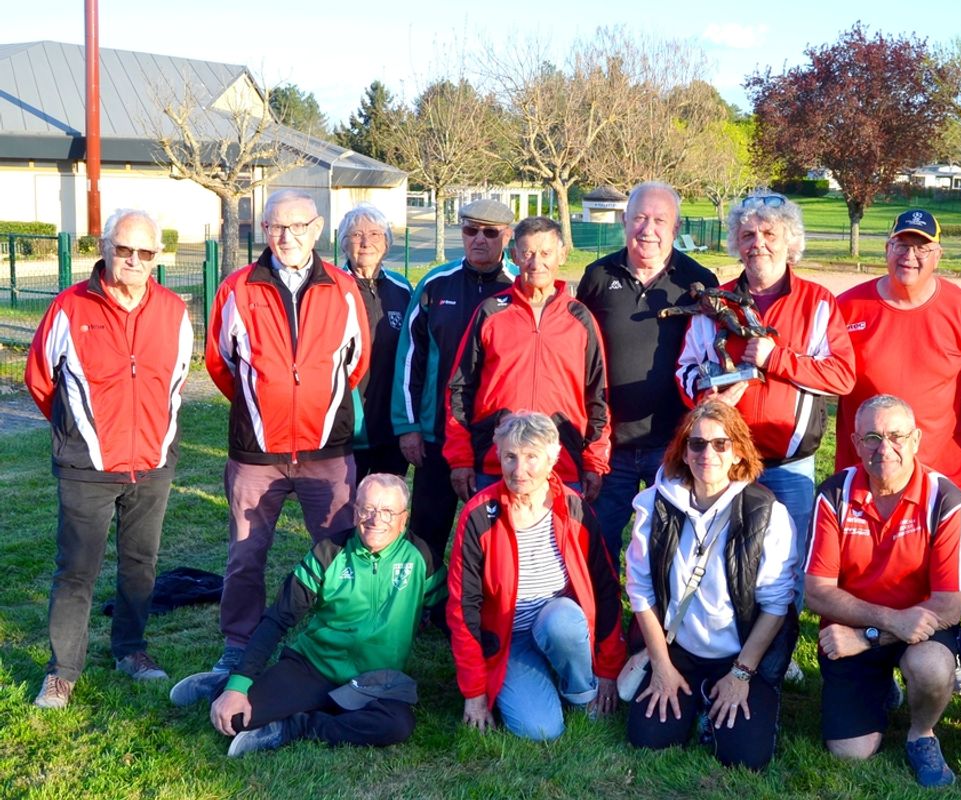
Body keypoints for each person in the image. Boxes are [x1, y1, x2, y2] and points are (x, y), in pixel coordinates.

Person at [24, 208, 192, 708]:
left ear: (157, 256)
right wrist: (79, 432)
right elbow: (40, 380)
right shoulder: (69, 308)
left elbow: (177, 380)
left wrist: (155, 437)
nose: (134, 260)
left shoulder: (173, 311)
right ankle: (62, 671)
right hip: (87, 468)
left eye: (145, 252)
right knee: (76, 570)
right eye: (124, 249)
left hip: (151, 464)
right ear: (104, 248)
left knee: (141, 564)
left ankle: (130, 649)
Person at [206, 189, 370, 673]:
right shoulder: (237, 287)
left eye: (299, 226)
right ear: (264, 231)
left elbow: (356, 363)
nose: (288, 236)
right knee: (245, 554)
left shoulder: (342, 288)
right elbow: (220, 363)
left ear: (317, 230)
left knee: (339, 550)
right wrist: (264, 405)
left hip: (326, 451)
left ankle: (339, 638)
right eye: (277, 226)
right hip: (257, 452)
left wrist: (319, 407)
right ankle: (238, 642)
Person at [169, 474, 439, 757]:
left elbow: (451, 615)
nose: (376, 520)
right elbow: (277, 619)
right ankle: (220, 685)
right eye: (367, 509)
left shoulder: (421, 558)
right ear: (355, 510)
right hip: (314, 668)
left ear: (403, 518)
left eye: (387, 512)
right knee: (236, 719)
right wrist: (238, 685)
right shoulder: (329, 552)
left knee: (397, 725)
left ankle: (297, 726)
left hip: (376, 680)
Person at [805, 394, 961, 788]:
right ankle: (883, 688)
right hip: (855, 629)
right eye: (873, 437)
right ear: (855, 441)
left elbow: (949, 606)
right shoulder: (834, 494)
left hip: (918, 630)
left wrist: (869, 637)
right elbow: (816, 592)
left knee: (931, 668)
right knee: (850, 752)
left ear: (915, 440)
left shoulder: (945, 499)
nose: (885, 448)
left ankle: (921, 733)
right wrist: (885, 623)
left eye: (896, 436)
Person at [625, 401, 799, 771]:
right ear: (684, 452)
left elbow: (776, 604)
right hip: (679, 649)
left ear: (737, 451)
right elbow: (641, 593)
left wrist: (740, 675)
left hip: (739, 653)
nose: (709, 453)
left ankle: (731, 697)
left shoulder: (768, 512)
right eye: (697, 444)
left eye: (721, 444)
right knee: (648, 738)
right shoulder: (653, 506)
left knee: (744, 757)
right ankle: (697, 697)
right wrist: (661, 666)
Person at [676, 190, 855, 537]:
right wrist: (707, 400)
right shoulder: (715, 303)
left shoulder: (817, 302)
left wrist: (775, 358)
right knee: (723, 558)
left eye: (769, 234)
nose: (758, 243)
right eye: (747, 235)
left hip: (790, 467)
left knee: (792, 564)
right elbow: (685, 368)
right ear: (737, 245)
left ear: (790, 242)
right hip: (725, 462)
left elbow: (843, 376)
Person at [446, 412, 624, 740]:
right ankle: (536, 675)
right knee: (541, 729)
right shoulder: (477, 515)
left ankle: (580, 692)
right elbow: (462, 607)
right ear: (498, 455)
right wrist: (474, 692)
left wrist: (610, 670)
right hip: (508, 637)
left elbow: (605, 588)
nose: (519, 469)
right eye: (510, 457)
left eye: (531, 457)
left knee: (562, 620)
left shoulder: (576, 509)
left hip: (559, 623)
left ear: (553, 458)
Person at [577, 181, 718, 564]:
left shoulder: (698, 282)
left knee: (671, 547)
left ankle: (655, 621)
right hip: (610, 446)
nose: (648, 229)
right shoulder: (597, 276)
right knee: (598, 543)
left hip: (673, 444)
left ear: (675, 228)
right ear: (624, 221)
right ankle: (600, 620)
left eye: (659, 220)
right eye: (639, 218)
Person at [392, 199, 517, 616]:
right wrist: (408, 424)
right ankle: (423, 604)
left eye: (489, 232)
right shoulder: (435, 284)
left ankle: (487, 608)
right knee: (428, 525)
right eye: (470, 230)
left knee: (494, 528)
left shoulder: (519, 286)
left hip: (497, 437)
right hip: (436, 433)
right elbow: (409, 356)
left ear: (507, 235)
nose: (478, 239)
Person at [445, 216, 610, 502]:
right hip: (497, 465)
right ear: (514, 256)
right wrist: (461, 457)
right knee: (493, 546)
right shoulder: (491, 312)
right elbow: (460, 389)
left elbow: (598, 396)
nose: (536, 263)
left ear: (562, 254)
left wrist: (594, 462)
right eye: (528, 253)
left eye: (546, 253)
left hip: (562, 466)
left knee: (556, 548)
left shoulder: (579, 318)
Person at [836, 209, 961, 492]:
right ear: (887, 249)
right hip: (866, 472)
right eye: (902, 245)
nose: (909, 256)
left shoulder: (960, 307)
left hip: (942, 474)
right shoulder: (847, 307)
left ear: (938, 255)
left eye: (922, 248)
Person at [337, 204, 412, 482]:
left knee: (387, 503)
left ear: (387, 242)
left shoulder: (403, 289)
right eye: (356, 235)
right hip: (346, 428)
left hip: (392, 426)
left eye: (375, 234)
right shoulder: (330, 287)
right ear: (343, 243)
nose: (366, 242)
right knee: (343, 512)